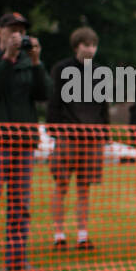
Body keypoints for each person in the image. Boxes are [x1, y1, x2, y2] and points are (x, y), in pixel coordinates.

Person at [0, 11, 51, 271]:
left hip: (24, 143)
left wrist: (37, 62)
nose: (17, 34)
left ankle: (17, 262)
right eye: (12, 29)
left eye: (21, 30)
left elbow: (45, 93)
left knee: (21, 206)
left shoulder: (29, 62)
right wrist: (8, 59)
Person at [47, 27, 108, 252]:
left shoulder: (101, 72)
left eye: (93, 45)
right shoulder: (62, 69)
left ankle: (83, 235)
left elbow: (103, 106)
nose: (91, 49)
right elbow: (54, 101)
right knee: (61, 185)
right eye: (86, 45)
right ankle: (59, 234)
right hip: (68, 135)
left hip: (92, 137)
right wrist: (53, 130)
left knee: (84, 188)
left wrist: (105, 133)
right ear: (76, 47)